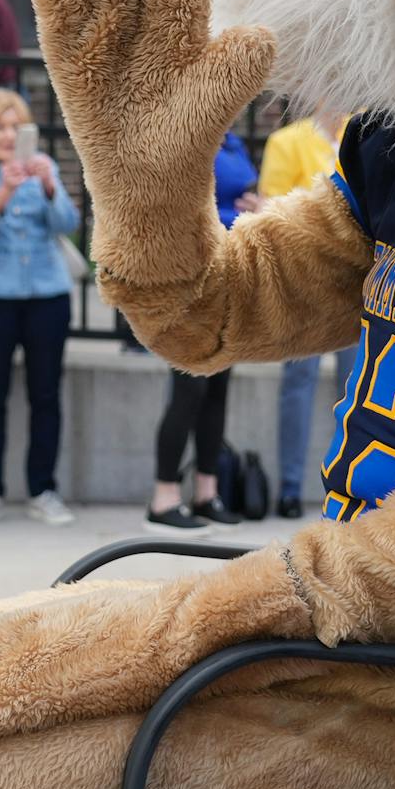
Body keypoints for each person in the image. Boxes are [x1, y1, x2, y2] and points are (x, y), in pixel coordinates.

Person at [0, 89, 78, 528]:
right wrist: (2, 194)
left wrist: (48, 185)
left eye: (13, 126)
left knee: (45, 395)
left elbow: (68, 224)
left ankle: (43, 489)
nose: (6, 136)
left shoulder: (43, 166)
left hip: (47, 294)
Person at [145, 128, 259, 531]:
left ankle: (206, 493)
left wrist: (255, 212)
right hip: (189, 275)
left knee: (217, 388)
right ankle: (163, 498)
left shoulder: (233, 139)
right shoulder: (185, 132)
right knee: (187, 388)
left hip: (229, 274)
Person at [258, 108, 363, 521]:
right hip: (306, 289)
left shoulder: (363, 136)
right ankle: (289, 486)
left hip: (358, 290)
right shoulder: (288, 142)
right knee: (297, 386)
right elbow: (272, 214)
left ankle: (348, 489)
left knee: (355, 390)